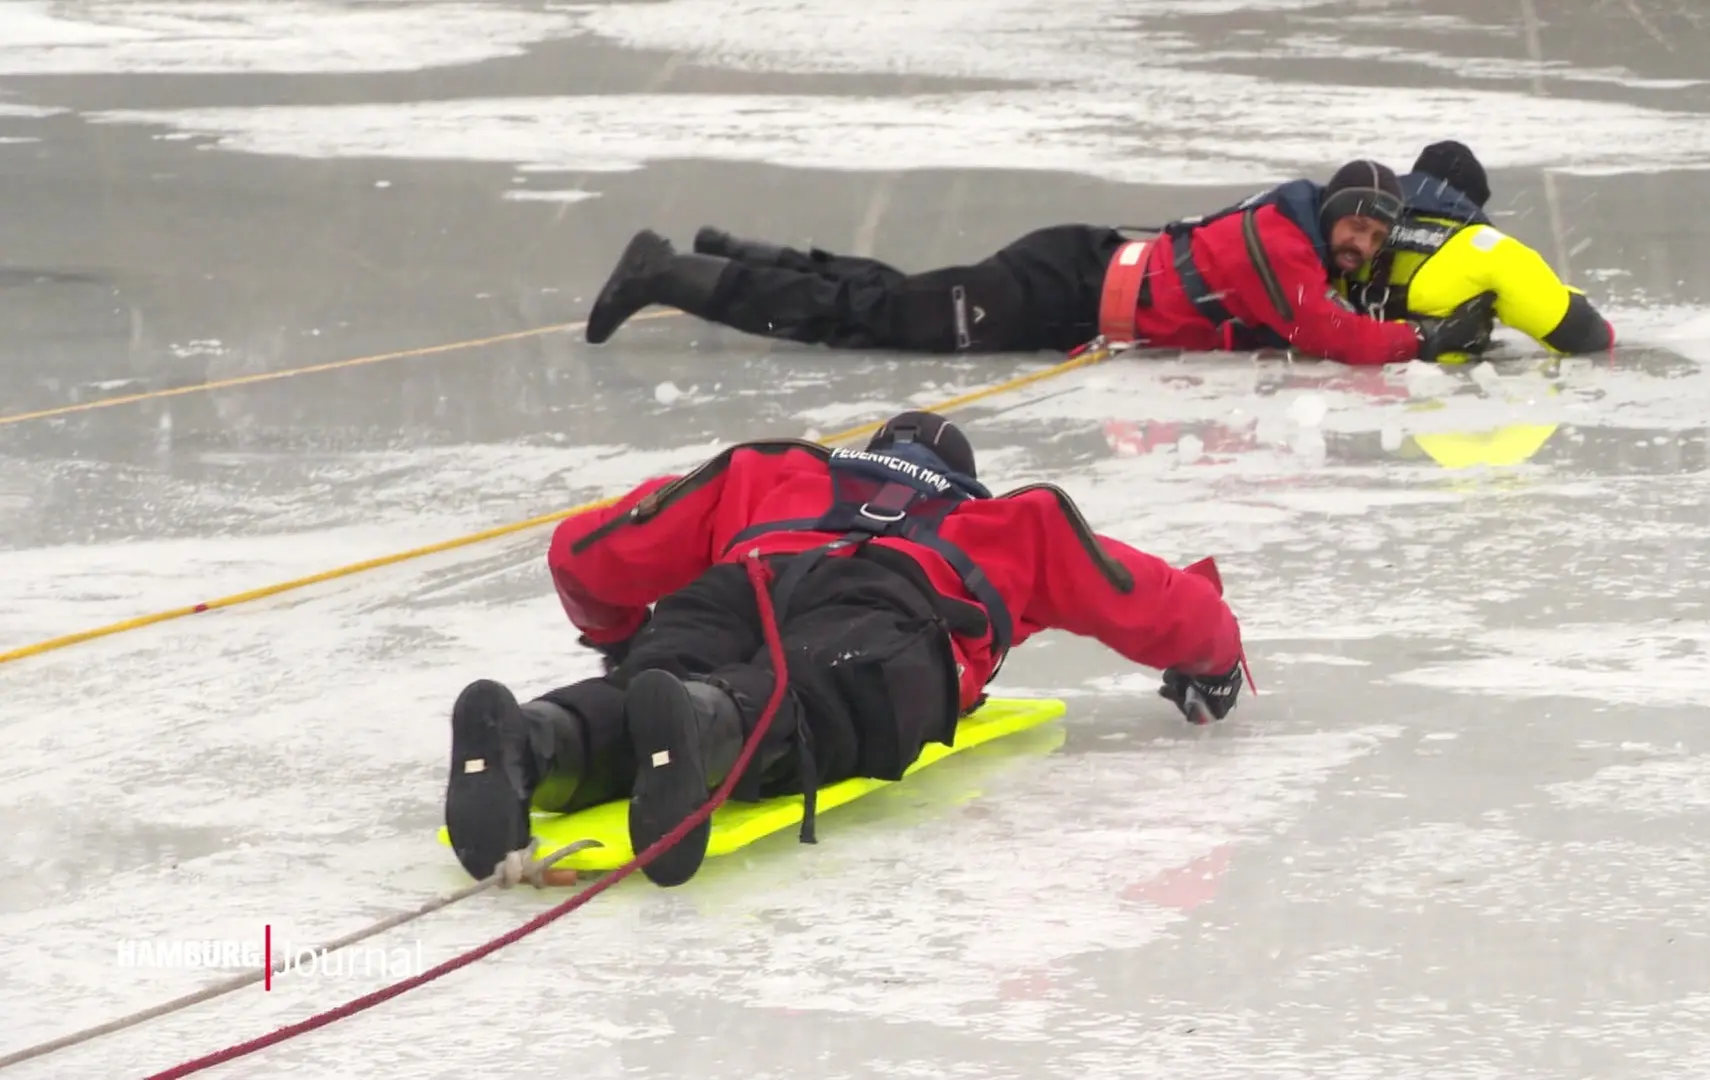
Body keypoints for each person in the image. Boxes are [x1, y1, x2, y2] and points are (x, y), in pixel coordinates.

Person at [442, 411, 1249, 889]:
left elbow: (586, 552)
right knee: (838, 692)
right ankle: (708, 726)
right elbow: (1158, 601)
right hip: (892, 600)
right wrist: (1214, 669)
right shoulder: (1010, 521)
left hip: (745, 576)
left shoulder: (770, 472)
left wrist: (622, 641)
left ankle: (538, 739)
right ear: (961, 479)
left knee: (661, 674)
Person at [581, 160, 1495, 367]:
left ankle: (736, 255)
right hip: (1068, 284)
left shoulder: (1290, 232)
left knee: (894, 296)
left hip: (1079, 283)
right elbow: (1326, 332)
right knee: (881, 317)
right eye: (1358, 229)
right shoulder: (1282, 243)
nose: (1361, 246)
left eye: (1376, 239)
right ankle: (667, 273)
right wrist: (1419, 343)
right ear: (1330, 212)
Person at [1346, 140, 1614, 357]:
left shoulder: (1350, 232)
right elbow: (1585, 335)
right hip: (1443, 410)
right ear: (1470, 202)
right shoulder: (1488, 252)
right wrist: (1564, 293)